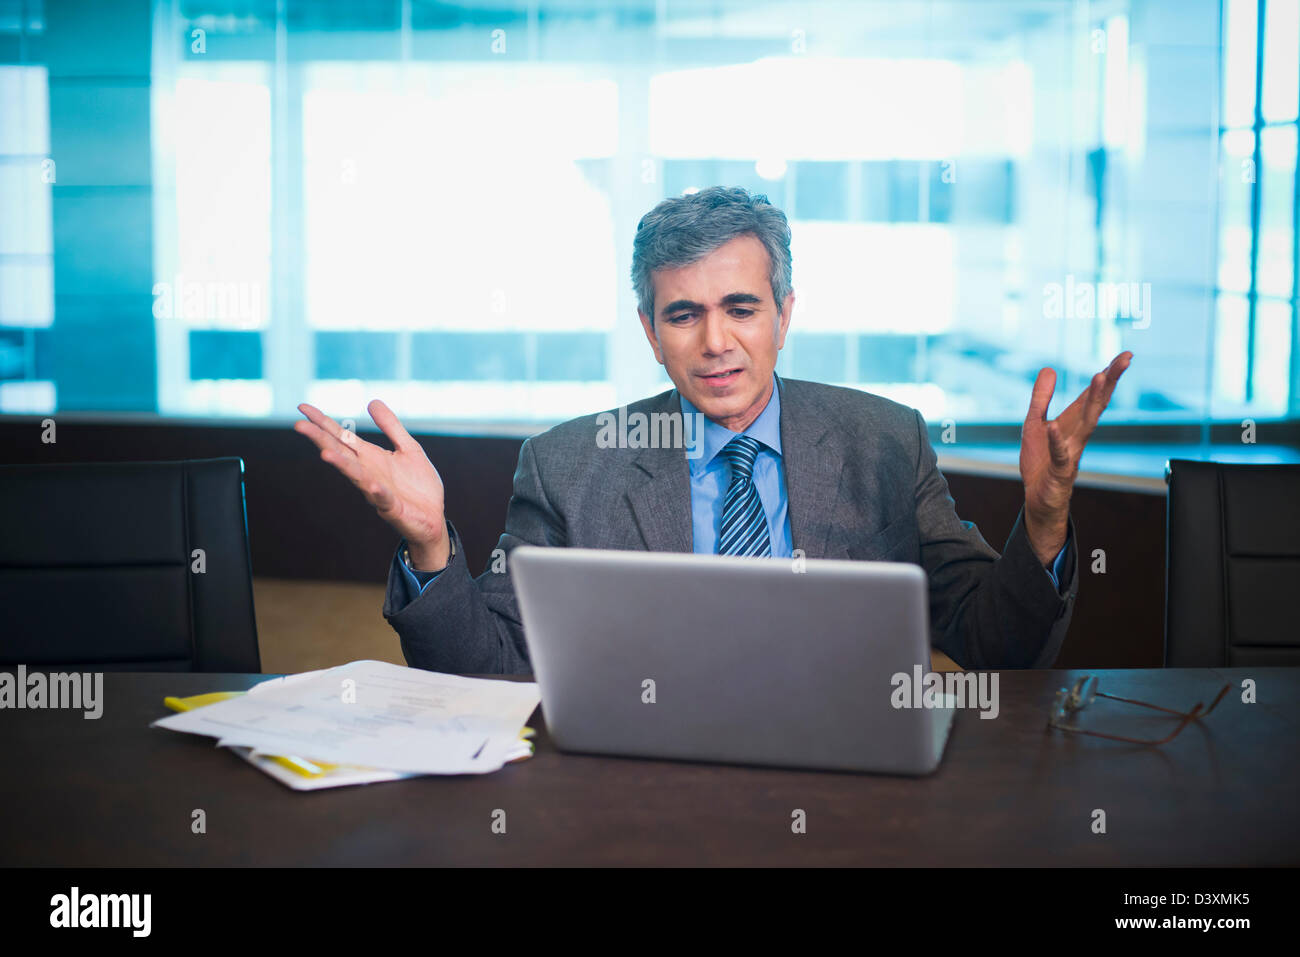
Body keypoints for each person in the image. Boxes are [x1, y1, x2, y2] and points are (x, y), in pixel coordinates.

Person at [294, 186, 1132, 674]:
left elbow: (999, 646)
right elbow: (494, 673)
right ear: (651, 332)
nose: (717, 342)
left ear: (784, 315)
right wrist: (434, 545)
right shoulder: (568, 466)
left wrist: (1049, 517)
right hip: (641, 782)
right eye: (684, 315)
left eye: (742, 308)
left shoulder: (885, 441)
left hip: (854, 776)